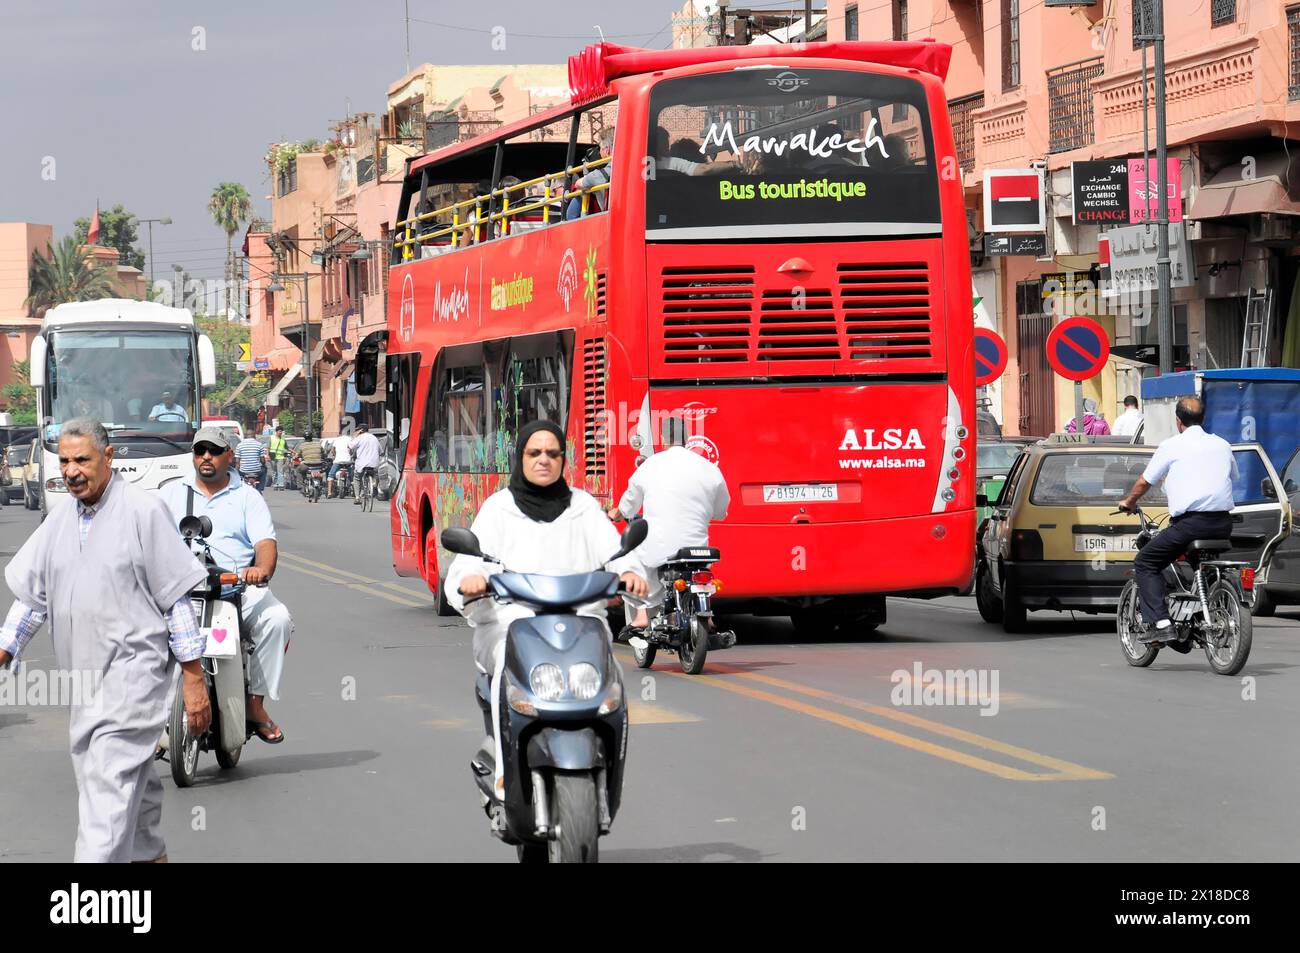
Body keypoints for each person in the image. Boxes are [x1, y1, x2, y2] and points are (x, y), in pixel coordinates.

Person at [0, 417, 208, 862]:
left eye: (82, 460)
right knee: (134, 790)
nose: (72, 471)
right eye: (64, 461)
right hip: (86, 684)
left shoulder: (142, 511)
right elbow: (34, 597)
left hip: (134, 680)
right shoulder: (60, 521)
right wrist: (6, 647)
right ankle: (149, 856)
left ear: (108, 457)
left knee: (105, 792)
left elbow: (175, 599)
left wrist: (194, 679)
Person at [444, 420, 649, 797]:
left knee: (614, 681)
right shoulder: (499, 508)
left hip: (582, 624)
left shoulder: (583, 507)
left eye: (552, 454)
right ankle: (507, 775)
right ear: (519, 457)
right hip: (511, 624)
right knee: (507, 661)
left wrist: (632, 574)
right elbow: (468, 561)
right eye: (534, 453)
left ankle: (610, 771)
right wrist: (470, 579)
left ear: (562, 460)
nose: (543, 461)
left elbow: (617, 552)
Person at [159, 427, 293, 743]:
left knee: (277, 620)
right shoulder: (170, 494)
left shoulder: (248, 497)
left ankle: (254, 704)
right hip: (182, 592)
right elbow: (147, 539)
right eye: (200, 450)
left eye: (215, 451)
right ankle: (153, 716)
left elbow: (265, 543)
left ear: (229, 456)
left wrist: (260, 569)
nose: (207, 456)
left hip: (236, 589)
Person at [1119, 396, 1238, 643]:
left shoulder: (1171, 446)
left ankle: (1162, 624)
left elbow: (1144, 481)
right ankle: (1193, 613)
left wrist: (1129, 502)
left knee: (1145, 562)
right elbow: (1232, 476)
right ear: (1203, 419)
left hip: (1191, 524)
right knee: (1195, 563)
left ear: (1178, 421)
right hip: (1223, 524)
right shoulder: (1222, 445)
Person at [608, 416, 731, 639]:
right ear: (687, 439)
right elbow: (721, 509)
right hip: (698, 550)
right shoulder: (709, 468)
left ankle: (642, 615)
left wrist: (617, 513)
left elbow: (629, 502)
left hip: (661, 548)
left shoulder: (651, 465)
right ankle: (707, 614)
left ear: (663, 439)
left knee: (625, 557)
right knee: (701, 572)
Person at [565, 127, 615, 220]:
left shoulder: (603, 173)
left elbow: (579, 184)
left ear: (607, 150)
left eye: (600, 148)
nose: (599, 152)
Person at [349, 424, 381, 504]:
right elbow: (381, 451)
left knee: (357, 478)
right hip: (374, 463)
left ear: (361, 430)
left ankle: (357, 497)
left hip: (362, 464)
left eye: (357, 430)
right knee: (375, 474)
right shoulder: (374, 438)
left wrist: (355, 436)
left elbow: (350, 446)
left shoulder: (359, 438)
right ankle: (373, 484)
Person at [326, 433, 352, 498]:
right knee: (353, 476)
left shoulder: (336, 439)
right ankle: (355, 491)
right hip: (348, 461)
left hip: (338, 461)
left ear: (340, 434)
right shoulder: (350, 439)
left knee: (330, 475)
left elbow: (333, 450)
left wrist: (335, 456)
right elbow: (352, 450)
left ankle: (329, 492)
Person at [268, 426, 290, 490]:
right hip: (272, 457)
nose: (280, 432)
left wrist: (294, 452)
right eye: (279, 431)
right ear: (276, 432)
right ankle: (275, 484)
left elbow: (287, 448)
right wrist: (267, 455)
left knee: (280, 471)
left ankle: (281, 485)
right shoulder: (271, 438)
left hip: (280, 457)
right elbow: (268, 447)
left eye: (281, 431)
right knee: (274, 471)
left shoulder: (283, 439)